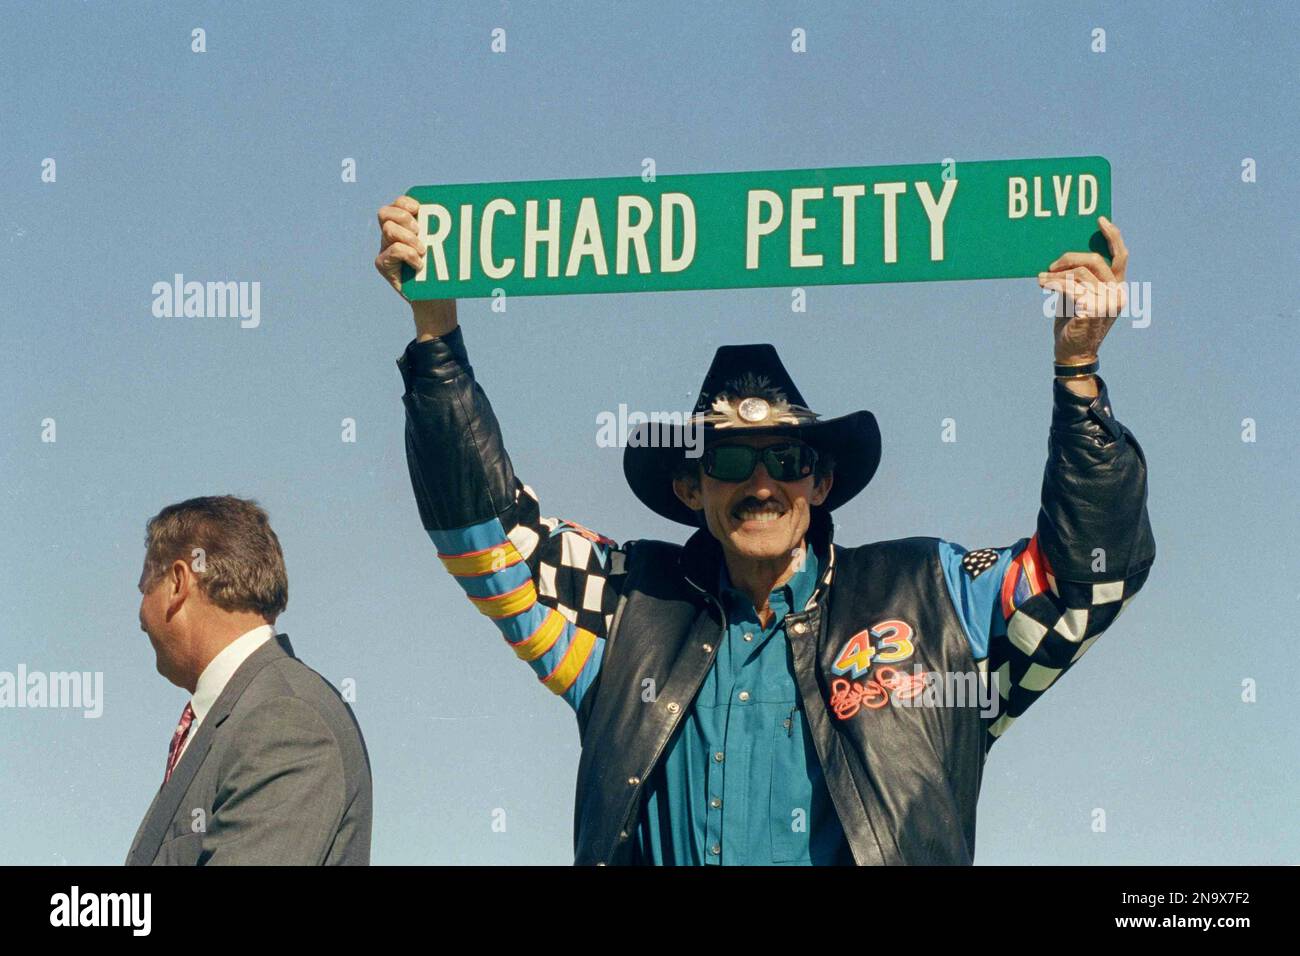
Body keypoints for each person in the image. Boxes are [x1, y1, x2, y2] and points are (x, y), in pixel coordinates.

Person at [376, 194, 1154, 865]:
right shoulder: (625, 610)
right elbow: (484, 534)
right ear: (690, 487)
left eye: (785, 457)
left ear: (820, 481)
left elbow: (1087, 579)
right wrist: (435, 332)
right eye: (730, 462)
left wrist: (1077, 372)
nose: (760, 484)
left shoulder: (935, 600)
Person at [126, 496, 373, 865]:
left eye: (145, 587)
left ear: (178, 582)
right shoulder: (245, 715)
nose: (141, 617)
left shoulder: (283, 720)